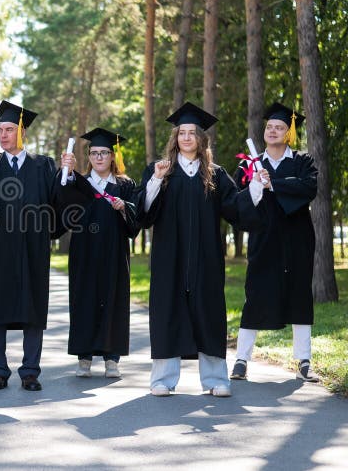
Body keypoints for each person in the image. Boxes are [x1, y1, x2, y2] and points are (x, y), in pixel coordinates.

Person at [137, 102, 263, 398]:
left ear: (201, 139)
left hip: (206, 257)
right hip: (170, 257)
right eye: (182, 132)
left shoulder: (216, 175)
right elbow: (144, 211)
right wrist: (155, 179)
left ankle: (216, 379)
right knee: (167, 310)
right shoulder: (161, 171)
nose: (187, 137)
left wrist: (255, 188)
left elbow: (235, 208)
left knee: (209, 312)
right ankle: (163, 380)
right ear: (175, 138)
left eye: (192, 132)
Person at [0, 100, 73, 392]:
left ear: (22, 131)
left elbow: (59, 199)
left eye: (9, 129)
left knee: (33, 309)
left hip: (33, 247)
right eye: (0, 130)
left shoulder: (43, 165)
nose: (3, 135)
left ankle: (30, 372)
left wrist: (67, 173)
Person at [230, 102, 320, 383]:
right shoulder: (250, 164)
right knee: (255, 293)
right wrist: (256, 184)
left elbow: (309, 188)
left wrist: (274, 184)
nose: (272, 130)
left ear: (289, 132)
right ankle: (241, 360)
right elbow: (236, 201)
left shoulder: (303, 161)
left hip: (297, 238)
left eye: (279, 127)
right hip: (263, 236)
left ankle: (304, 361)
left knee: (300, 294)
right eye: (269, 126)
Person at [57, 128, 139, 379]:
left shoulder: (125, 185)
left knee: (113, 300)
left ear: (113, 156)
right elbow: (61, 206)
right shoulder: (79, 182)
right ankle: (84, 357)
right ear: (89, 157)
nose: (99, 157)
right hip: (84, 253)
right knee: (84, 300)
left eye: (104, 152)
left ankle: (112, 359)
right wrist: (66, 174)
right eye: (94, 153)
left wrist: (125, 207)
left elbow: (137, 220)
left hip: (114, 252)